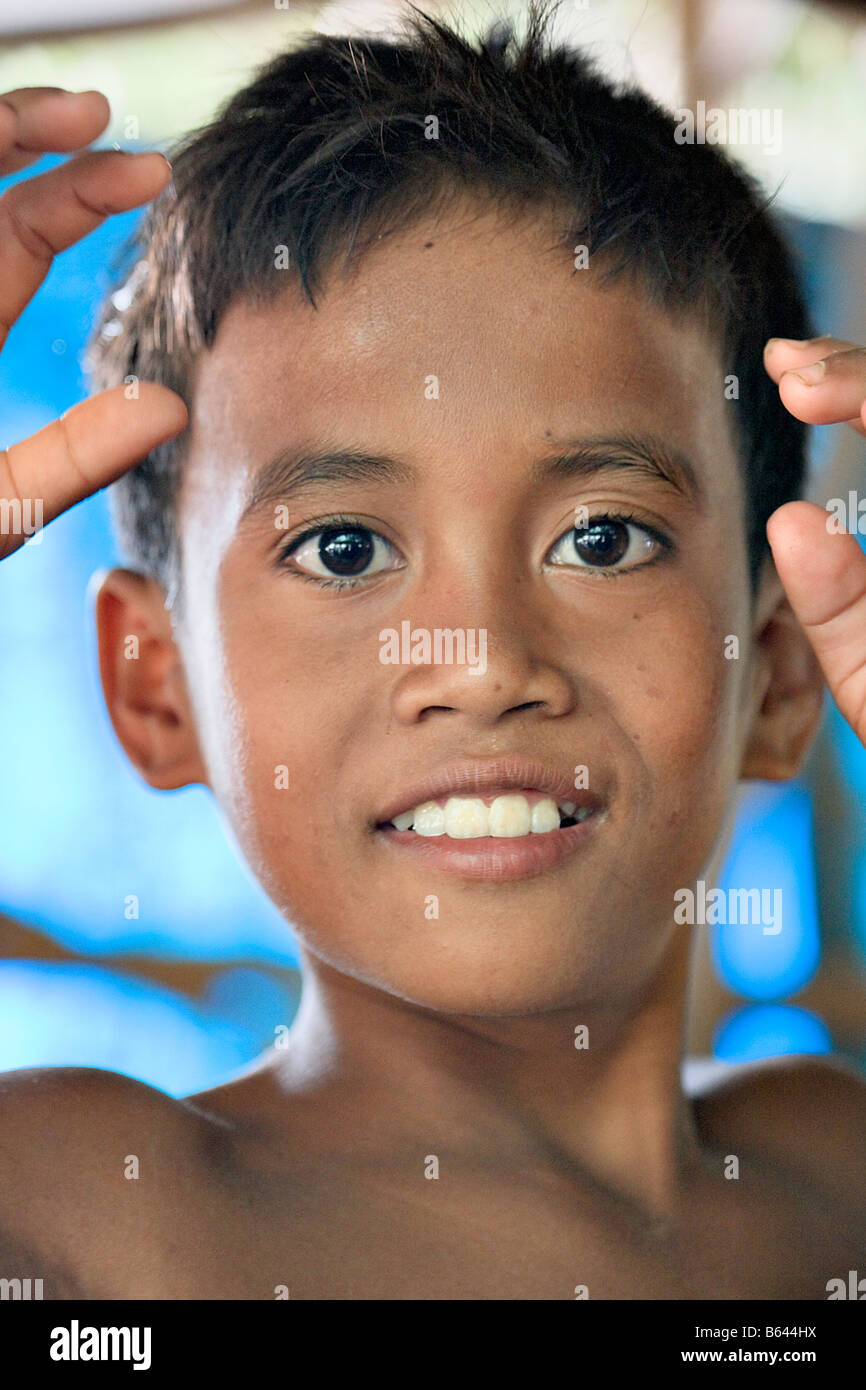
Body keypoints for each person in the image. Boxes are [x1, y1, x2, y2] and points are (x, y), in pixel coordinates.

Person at [0, 2, 864, 1300]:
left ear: (780, 673)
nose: (482, 659)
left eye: (603, 538)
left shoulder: (832, 1170)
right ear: (154, 681)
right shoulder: (83, 1211)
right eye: (343, 548)